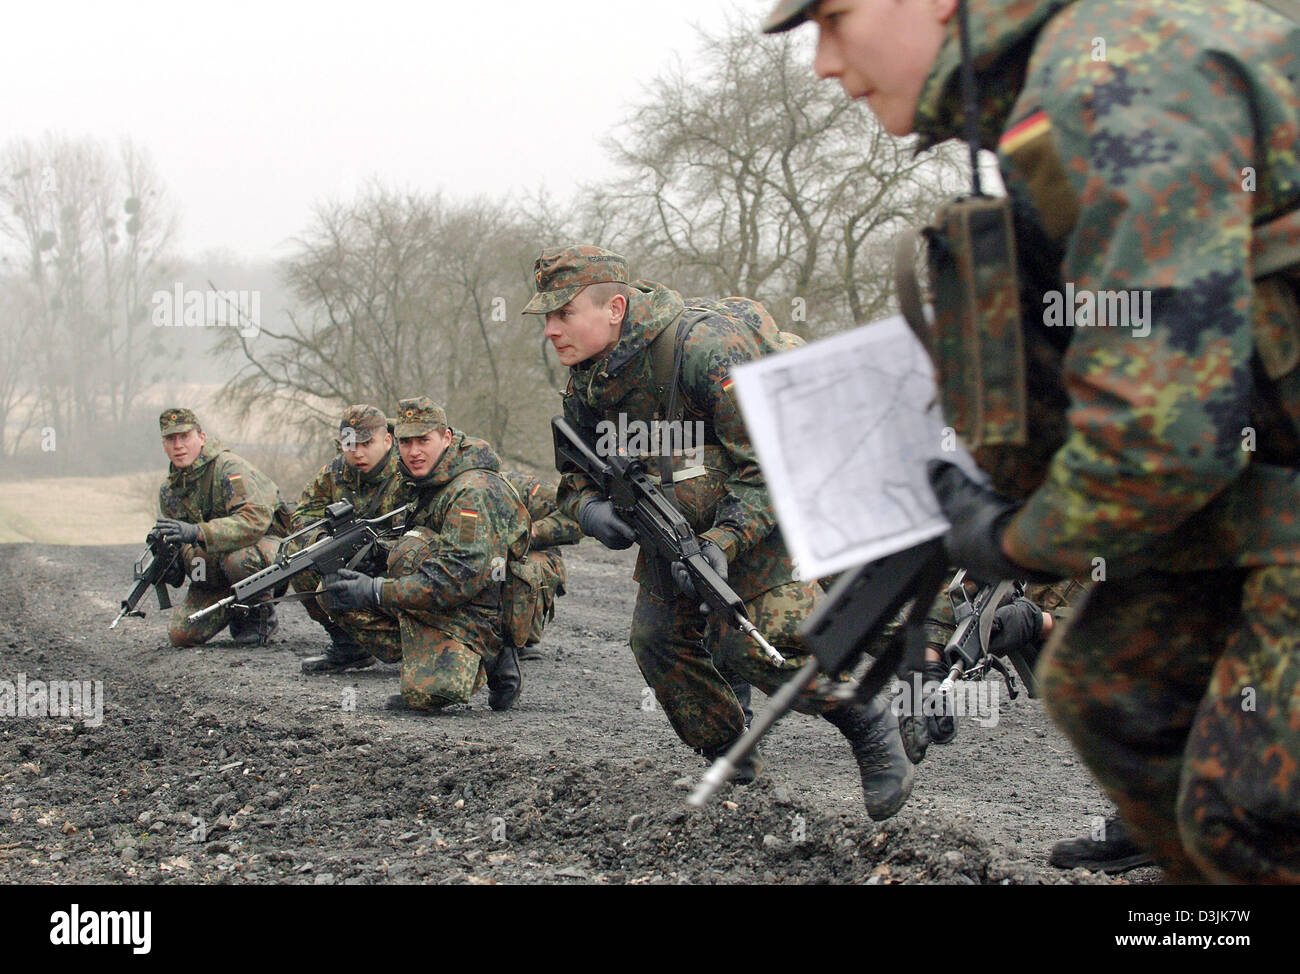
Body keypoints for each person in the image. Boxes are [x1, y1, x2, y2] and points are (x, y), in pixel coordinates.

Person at [766, 0, 1300, 881]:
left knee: (1252, 796)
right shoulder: (1040, 102)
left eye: (835, 18)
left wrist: (1014, 538)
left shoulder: (1113, 79)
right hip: (1258, 471)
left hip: (1243, 471)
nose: (823, 61)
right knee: (1111, 689)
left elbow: (1163, 434)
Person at [523, 245, 915, 820]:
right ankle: (729, 752)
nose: (552, 330)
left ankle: (867, 725)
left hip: (756, 516)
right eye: (547, 318)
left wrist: (724, 543)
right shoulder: (587, 382)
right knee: (656, 643)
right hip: (670, 527)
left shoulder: (704, 349)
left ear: (615, 306)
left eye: (564, 313)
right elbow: (576, 475)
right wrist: (588, 511)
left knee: (759, 642)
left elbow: (773, 463)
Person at [321, 397, 530, 713]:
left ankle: (493, 651)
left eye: (423, 440)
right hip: (436, 599)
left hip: (478, 610)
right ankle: (424, 653)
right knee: (335, 593)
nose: (414, 451)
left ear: (446, 438)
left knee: (425, 697)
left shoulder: (471, 489)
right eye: (406, 441)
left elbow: (457, 576)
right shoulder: (421, 477)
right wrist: (376, 556)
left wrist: (375, 590)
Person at [154, 407, 290, 648]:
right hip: (211, 567)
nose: (178, 445)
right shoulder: (169, 491)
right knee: (181, 635)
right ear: (163, 444)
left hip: (265, 551)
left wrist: (198, 532)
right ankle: (230, 605)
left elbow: (254, 521)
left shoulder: (228, 468)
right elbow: (181, 551)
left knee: (237, 559)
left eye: (185, 436)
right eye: (170, 439)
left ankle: (256, 615)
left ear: (201, 437)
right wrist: (168, 558)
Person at [294, 404, 409, 674]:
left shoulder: (410, 470)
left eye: (366, 443)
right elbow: (302, 515)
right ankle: (349, 647)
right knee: (304, 568)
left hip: (400, 564)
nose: (357, 452)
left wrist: (382, 551)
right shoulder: (334, 472)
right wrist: (324, 540)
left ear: (387, 440)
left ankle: (416, 646)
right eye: (349, 444)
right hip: (354, 562)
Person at [502, 471, 581, 660]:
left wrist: (529, 533)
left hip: (524, 554)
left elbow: (577, 516)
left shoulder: (518, 487)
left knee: (527, 568)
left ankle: (516, 639)